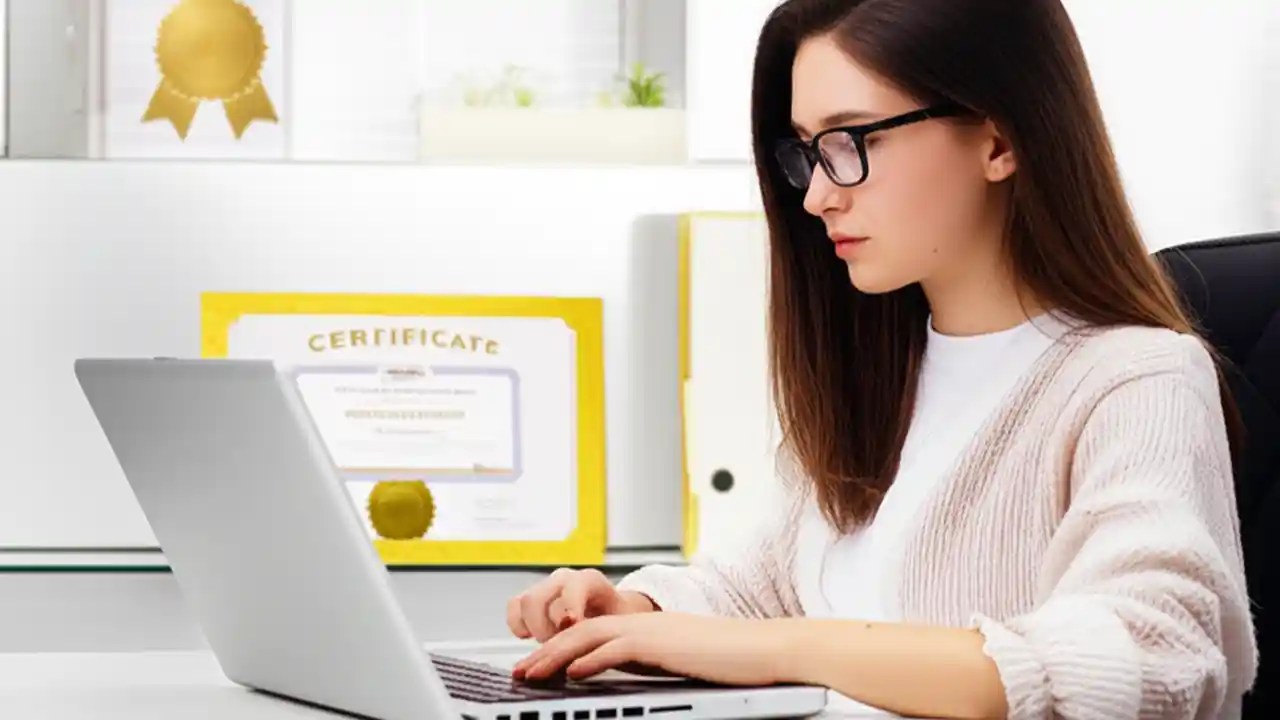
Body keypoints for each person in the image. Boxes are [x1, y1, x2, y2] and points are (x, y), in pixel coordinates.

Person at [506, 0, 1258, 717]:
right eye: (807, 152)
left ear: (998, 141)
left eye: (851, 141)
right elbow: (762, 588)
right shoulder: (884, 374)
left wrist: (782, 650)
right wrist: (632, 612)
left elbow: (1151, 662)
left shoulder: (1136, 379)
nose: (817, 196)